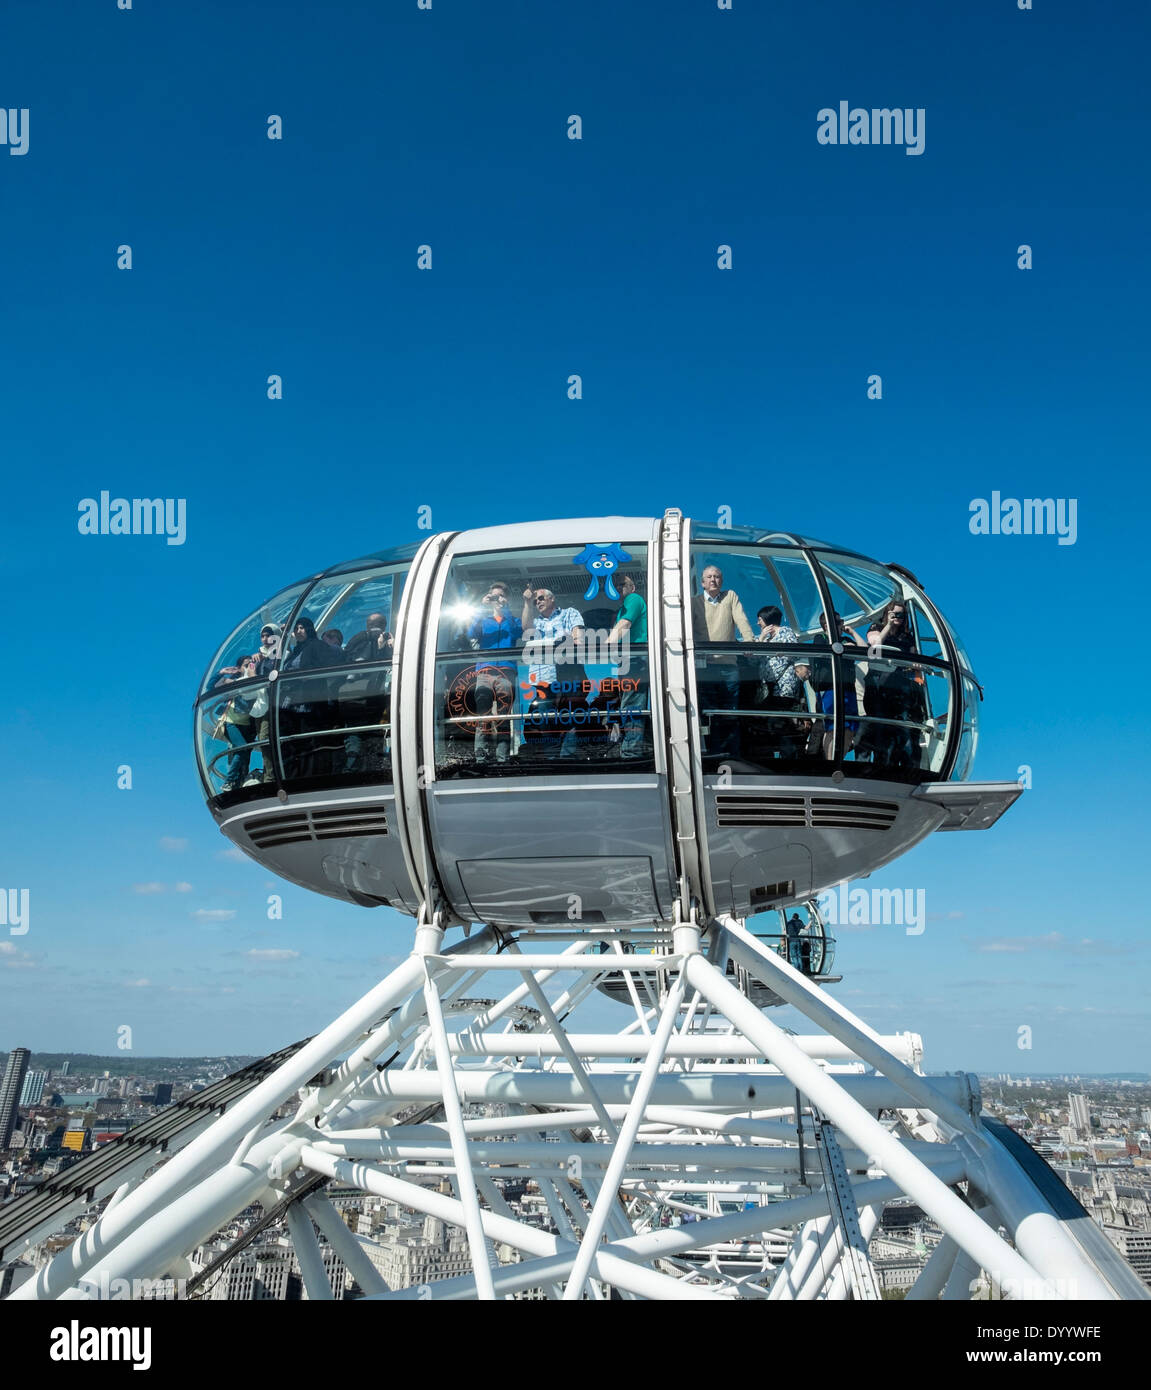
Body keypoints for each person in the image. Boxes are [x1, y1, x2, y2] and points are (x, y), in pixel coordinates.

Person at [691, 565, 754, 757]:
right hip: (705, 666)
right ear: (702, 582)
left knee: (731, 712)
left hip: (728, 665)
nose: (713, 580)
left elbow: (741, 620)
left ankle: (732, 754)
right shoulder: (695, 603)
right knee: (709, 713)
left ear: (722, 581)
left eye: (717, 577)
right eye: (709, 577)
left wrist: (749, 641)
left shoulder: (730, 597)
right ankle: (715, 754)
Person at [522, 587, 585, 758]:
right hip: (544, 679)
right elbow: (526, 627)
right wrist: (527, 603)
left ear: (552, 599)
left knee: (572, 716)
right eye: (535, 601)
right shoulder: (536, 622)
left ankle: (568, 757)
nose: (538, 602)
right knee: (546, 720)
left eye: (541, 598)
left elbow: (577, 634)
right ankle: (552, 758)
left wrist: (572, 641)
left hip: (568, 675)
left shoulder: (568, 613)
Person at [466, 582, 523, 765]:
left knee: (504, 717)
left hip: (506, 671)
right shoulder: (483, 620)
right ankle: (481, 758)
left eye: (501, 596)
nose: (497, 599)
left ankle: (503, 758)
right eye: (494, 596)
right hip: (485, 671)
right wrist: (480, 609)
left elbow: (517, 632)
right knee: (483, 716)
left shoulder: (512, 620)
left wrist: (504, 609)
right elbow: (470, 633)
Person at [862, 599, 921, 771]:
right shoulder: (876, 628)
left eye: (901, 615)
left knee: (899, 730)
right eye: (894, 614)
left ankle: (897, 766)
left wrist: (916, 671)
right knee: (880, 729)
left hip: (899, 686)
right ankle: (880, 766)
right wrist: (888, 624)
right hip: (878, 685)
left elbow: (914, 658)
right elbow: (875, 647)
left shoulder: (906, 636)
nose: (898, 618)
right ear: (887, 614)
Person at [280, 616, 342, 778]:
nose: (298, 631)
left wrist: (306, 675)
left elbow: (328, 666)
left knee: (309, 740)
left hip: (309, 702)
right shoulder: (295, 651)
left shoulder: (317, 645)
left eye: (301, 628)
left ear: (309, 629)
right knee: (292, 741)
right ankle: (294, 776)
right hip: (291, 703)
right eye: (296, 629)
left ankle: (310, 776)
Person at [607, 573, 648, 757]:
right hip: (629, 662)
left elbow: (624, 625)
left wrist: (605, 645)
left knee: (631, 706)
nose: (619, 586)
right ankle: (631, 748)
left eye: (623, 583)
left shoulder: (634, 598)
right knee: (628, 706)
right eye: (616, 584)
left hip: (636, 661)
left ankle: (631, 753)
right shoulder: (623, 608)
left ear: (633, 587)